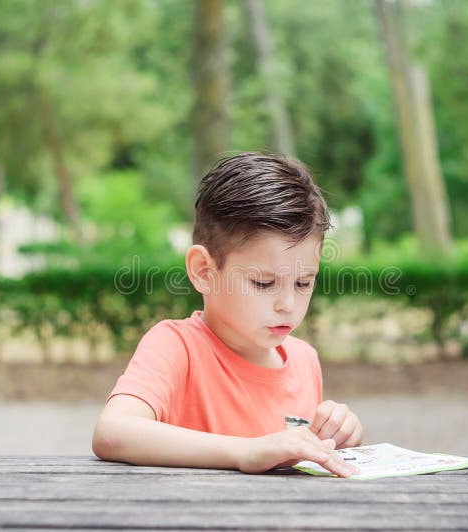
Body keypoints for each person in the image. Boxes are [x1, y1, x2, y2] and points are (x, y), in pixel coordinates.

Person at [92, 152, 363, 477]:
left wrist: (335, 437)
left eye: (304, 282)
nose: (288, 304)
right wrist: (245, 451)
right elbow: (113, 432)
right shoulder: (177, 347)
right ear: (204, 271)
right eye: (263, 283)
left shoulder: (304, 361)